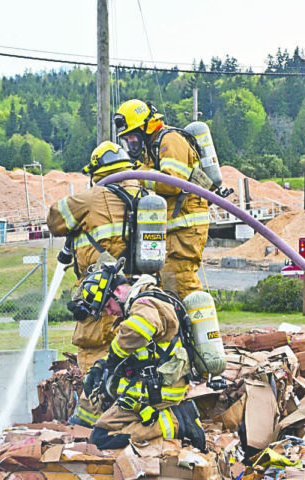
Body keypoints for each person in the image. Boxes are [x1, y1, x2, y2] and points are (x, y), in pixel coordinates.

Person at [46, 142, 146, 428]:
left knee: (95, 364)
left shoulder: (90, 199)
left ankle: (96, 432)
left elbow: (55, 219)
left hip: (100, 304)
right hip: (137, 300)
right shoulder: (145, 197)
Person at [72, 269, 206, 452]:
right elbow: (135, 352)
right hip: (153, 386)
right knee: (105, 405)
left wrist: (112, 359)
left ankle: (179, 420)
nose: (110, 312)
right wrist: (101, 366)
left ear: (117, 291)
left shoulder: (145, 303)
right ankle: (173, 417)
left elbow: (139, 328)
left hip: (159, 391)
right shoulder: (143, 302)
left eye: (108, 306)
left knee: (102, 438)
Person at [113, 98, 210, 299]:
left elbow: (172, 184)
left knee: (181, 285)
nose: (131, 143)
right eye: (127, 139)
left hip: (185, 227)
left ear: (146, 127)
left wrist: (137, 173)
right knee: (167, 286)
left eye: (133, 137)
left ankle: (202, 329)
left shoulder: (170, 140)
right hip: (173, 228)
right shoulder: (153, 147)